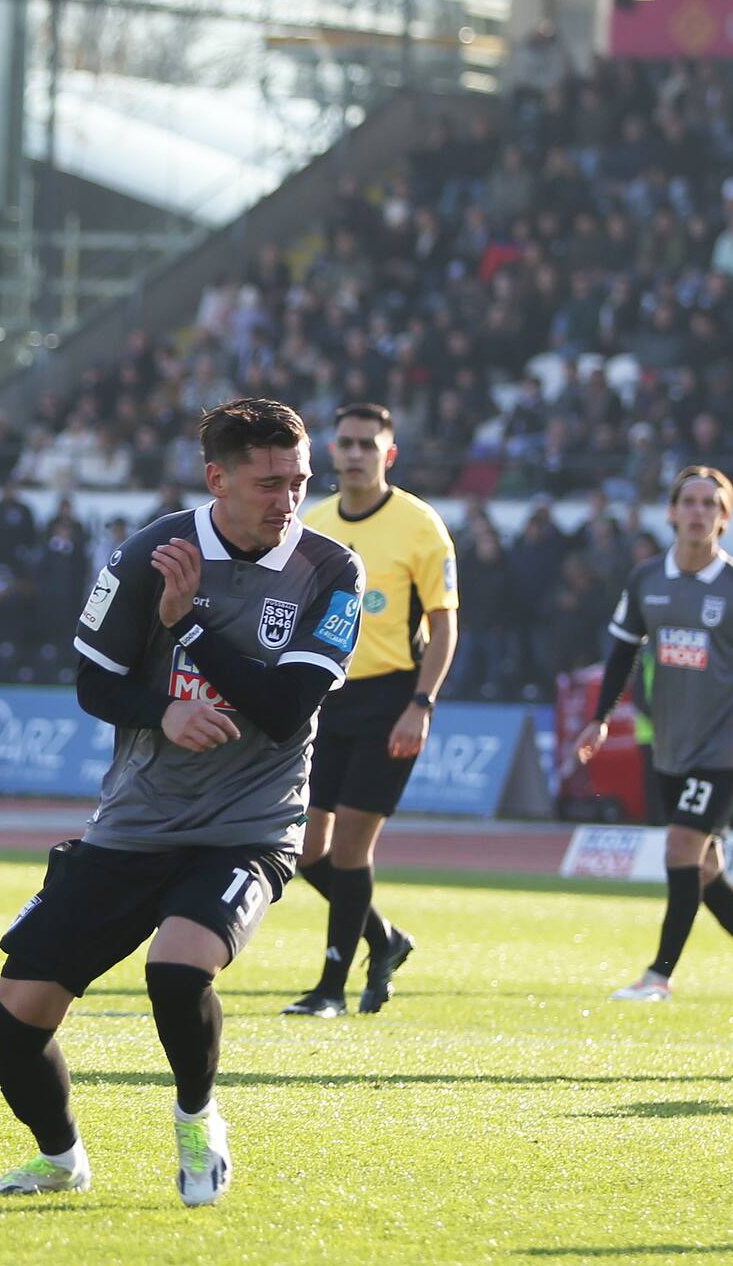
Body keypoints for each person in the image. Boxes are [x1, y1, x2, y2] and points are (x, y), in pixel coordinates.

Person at [0, 398, 363, 1207]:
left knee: (178, 970)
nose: (288, 500)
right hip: (136, 821)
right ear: (217, 479)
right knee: (18, 1019)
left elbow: (287, 708)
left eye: (298, 481)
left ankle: (197, 1120)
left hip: (251, 826)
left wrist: (189, 632)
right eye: (268, 484)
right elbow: (92, 682)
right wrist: (164, 711)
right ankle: (59, 1159)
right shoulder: (151, 552)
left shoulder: (332, 570)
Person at [573, 466, 733, 1005]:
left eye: (710, 504)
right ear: (671, 512)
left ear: (725, 517)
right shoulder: (646, 579)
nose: (699, 512)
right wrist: (601, 716)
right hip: (671, 742)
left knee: (680, 847)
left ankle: (659, 977)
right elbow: (623, 651)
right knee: (705, 865)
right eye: (689, 502)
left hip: (723, 746)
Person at [284, 404, 457, 1017]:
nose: (355, 453)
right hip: (329, 699)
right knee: (304, 850)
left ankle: (331, 986)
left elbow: (443, 624)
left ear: (389, 455)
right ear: (333, 452)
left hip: (391, 699)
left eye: (367, 444)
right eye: (346, 443)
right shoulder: (316, 522)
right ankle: (385, 940)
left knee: (353, 846)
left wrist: (422, 703)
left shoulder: (420, 525)